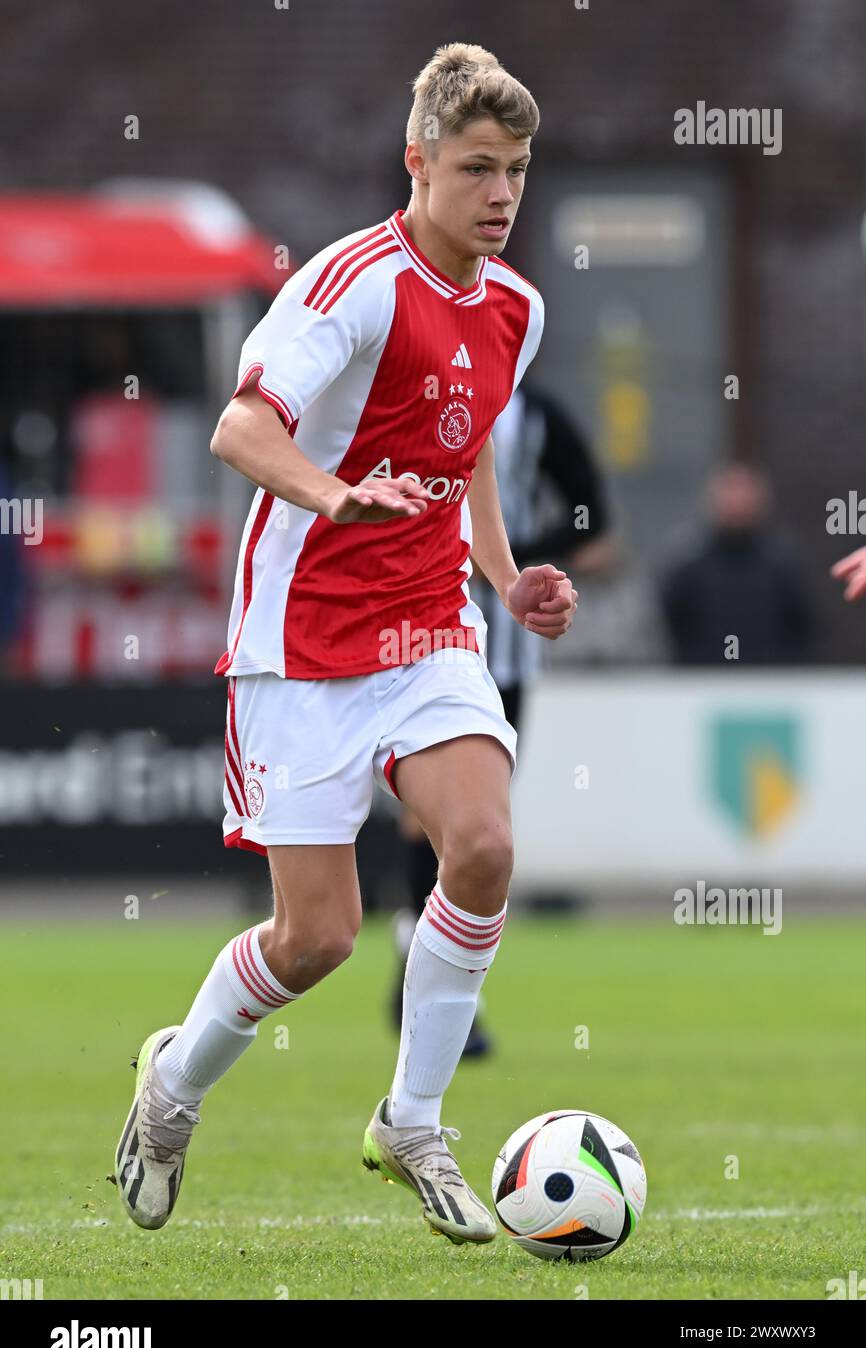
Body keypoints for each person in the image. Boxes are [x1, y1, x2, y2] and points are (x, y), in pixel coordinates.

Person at [114, 43, 578, 1247]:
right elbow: (238, 426)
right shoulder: (350, 284)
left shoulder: (518, 309)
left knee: (479, 846)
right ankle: (172, 1088)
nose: (500, 194)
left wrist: (503, 573)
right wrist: (332, 494)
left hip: (429, 624)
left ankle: (411, 1119)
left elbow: (465, 438)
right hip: (301, 639)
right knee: (313, 935)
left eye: (517, 171)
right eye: (476, 168)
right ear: (415, 162)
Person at [387, 379, 608, 1052]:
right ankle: (415, 961)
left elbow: (592, 518)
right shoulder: (408, 385)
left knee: (477, 828)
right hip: (416, 632)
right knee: (425, 821)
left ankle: (437, 986)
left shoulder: (537, 415)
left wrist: (523, 565)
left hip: (504, 652)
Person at [660, 460, 813, 664]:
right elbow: (669, 625)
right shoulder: (687, 564)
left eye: (744, 493)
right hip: (702, 681)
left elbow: (802, 627)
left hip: (769, 681)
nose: (737, 502)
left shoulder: (783, 565)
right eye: (729, 492)